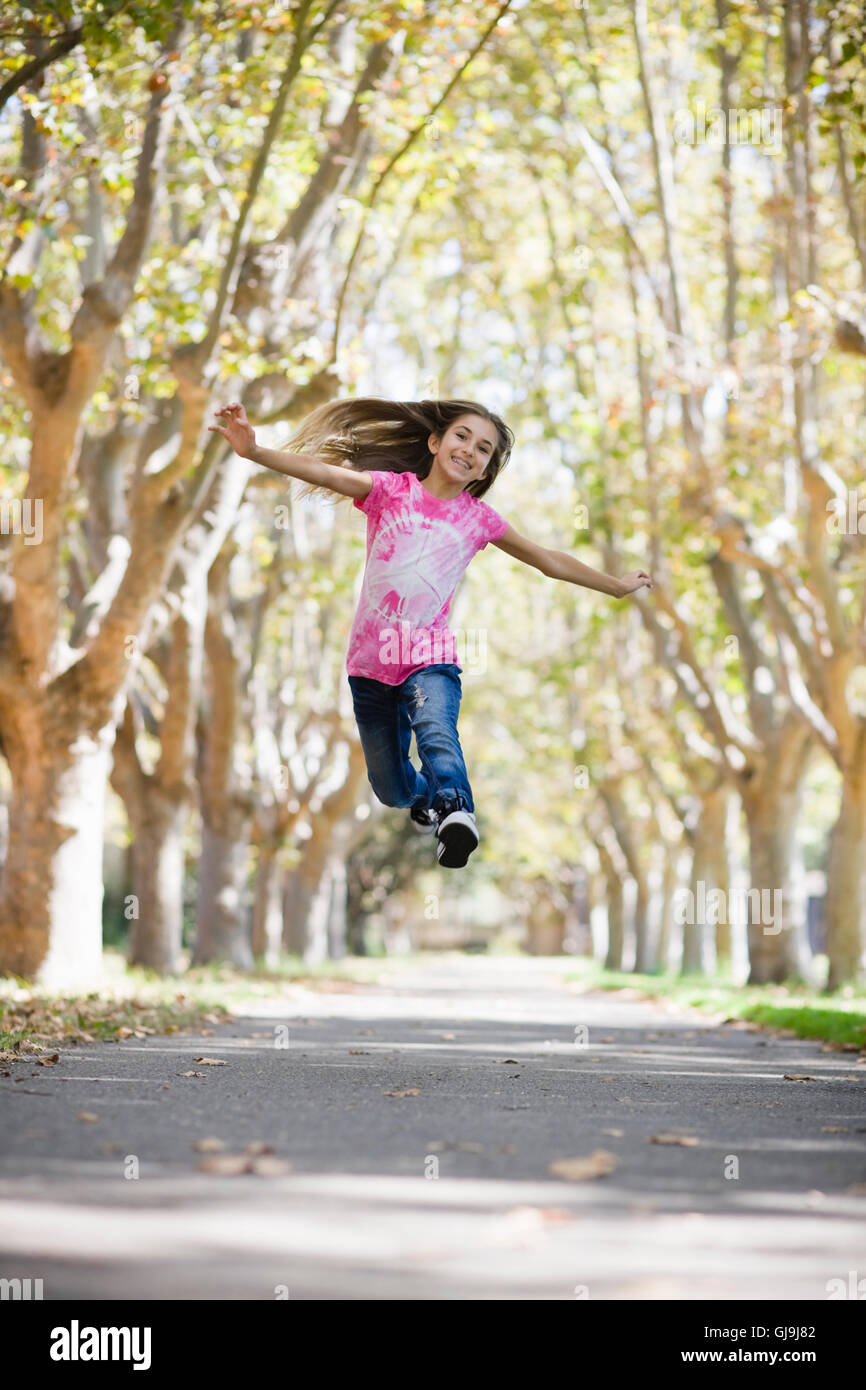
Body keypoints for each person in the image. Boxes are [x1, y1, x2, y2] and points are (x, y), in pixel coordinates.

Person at [209, 396, 653, 868]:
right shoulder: (389, 491)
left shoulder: (479, 520)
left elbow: (549, 561)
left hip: (429, 656)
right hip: (369, 666)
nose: (470, 450)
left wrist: (616, 586)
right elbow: (327, 474)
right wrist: (255, 452)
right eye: (462, 436)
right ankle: (426, 798)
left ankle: (457, 812)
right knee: (391, 788)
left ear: (484, 471)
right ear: (435, 442)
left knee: (438, 733)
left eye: (484, 449)